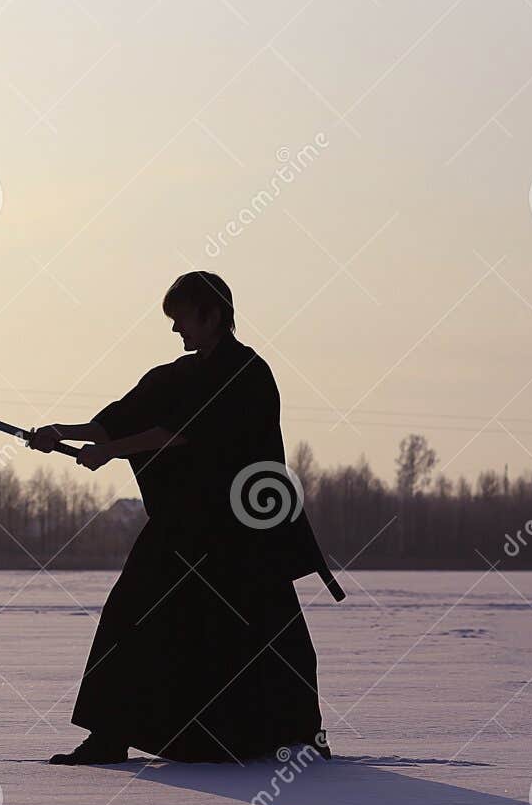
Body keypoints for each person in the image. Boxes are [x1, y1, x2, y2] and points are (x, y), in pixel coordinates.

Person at [28, 272, 330, 765]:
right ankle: (110, 735)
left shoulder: (246, 373)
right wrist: (62, 431)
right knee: (132, 614)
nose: (176, 332)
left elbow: (176, 434)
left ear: (212, 315)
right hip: (183, 526)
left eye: (182, 319)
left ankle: (299, 736)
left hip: (240, 532)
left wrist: (108, 452)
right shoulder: (175, 376)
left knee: (268, 630)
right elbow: (126, 417)